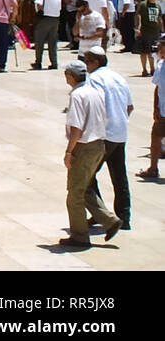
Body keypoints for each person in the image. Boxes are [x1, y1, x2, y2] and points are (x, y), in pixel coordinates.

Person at [58, 60, 121, 248]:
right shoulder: (95, 92)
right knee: (84, 188)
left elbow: (77, 127)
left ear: (71, 76)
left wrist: (69, 151)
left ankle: (79, 236)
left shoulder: (78, 95)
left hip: (84, 147)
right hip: (99, 144)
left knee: (74, 194)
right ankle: (109, 220)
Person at [83, 47, 132, 230]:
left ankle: (100, 213)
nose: (86, 66)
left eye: (87, 61)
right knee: (120, 176)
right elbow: (130, 106)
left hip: (103, 134)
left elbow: (94, 105)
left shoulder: (94, 79)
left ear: (96, 62)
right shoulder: (118, 77)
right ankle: (124, 217)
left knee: (86, 175)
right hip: (120, 132)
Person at [139, 39, 165, 180]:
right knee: (155, 138)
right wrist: (155, 107)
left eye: (161, 48)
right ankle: (153, 168)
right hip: (162, 111)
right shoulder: (160, 65)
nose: (159, 50)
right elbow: (157, 87)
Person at [31, 0, 62, 71]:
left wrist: (38, 12)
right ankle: (54, 62)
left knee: (39, 41)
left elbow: (39, 4)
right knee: (52, 42)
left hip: (45, 18)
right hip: (55, 19)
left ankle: (38, 62)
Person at [136, 0, 162, 77]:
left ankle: (152, 69)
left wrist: (162, 30)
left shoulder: (157, 6)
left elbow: (159, 19)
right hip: (145, 31)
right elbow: (138, 16)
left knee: (153, 52)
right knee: (144, 51)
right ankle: (144, 69)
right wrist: (138, 27)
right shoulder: (143, 5)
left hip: (155, 32)